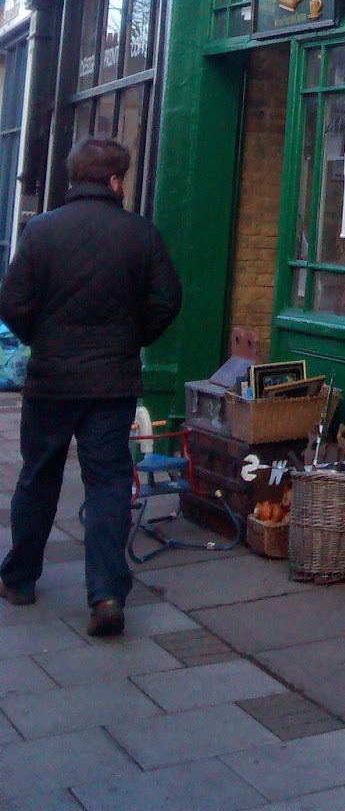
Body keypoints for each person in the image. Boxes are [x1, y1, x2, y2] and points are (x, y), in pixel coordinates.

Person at [0, 136, 182, 637]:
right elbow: (168, 299)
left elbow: (11, 302)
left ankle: (19, 579)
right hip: (111, 381)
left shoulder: (41, 231)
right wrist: (133, 338)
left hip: (52, 380)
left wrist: (39, 338)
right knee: (107, 483)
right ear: (115, 181)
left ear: (75, 178)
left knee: (38, 476)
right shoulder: (140, 234)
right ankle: (106, 594)